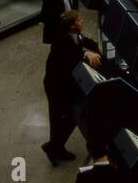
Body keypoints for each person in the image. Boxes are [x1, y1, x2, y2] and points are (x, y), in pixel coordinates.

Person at [43, 10, 102, 165]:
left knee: (69, 117)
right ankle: (54, 147)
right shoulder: (61, 42)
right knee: (60, 118)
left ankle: (55, 147)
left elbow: (83, 44)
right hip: (57, 88)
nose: (82, 21)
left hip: (66, 86)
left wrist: (92, 50)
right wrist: (87, 54)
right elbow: (72, 55)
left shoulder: (74, 36)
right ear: (71, 26)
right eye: (79, 20)